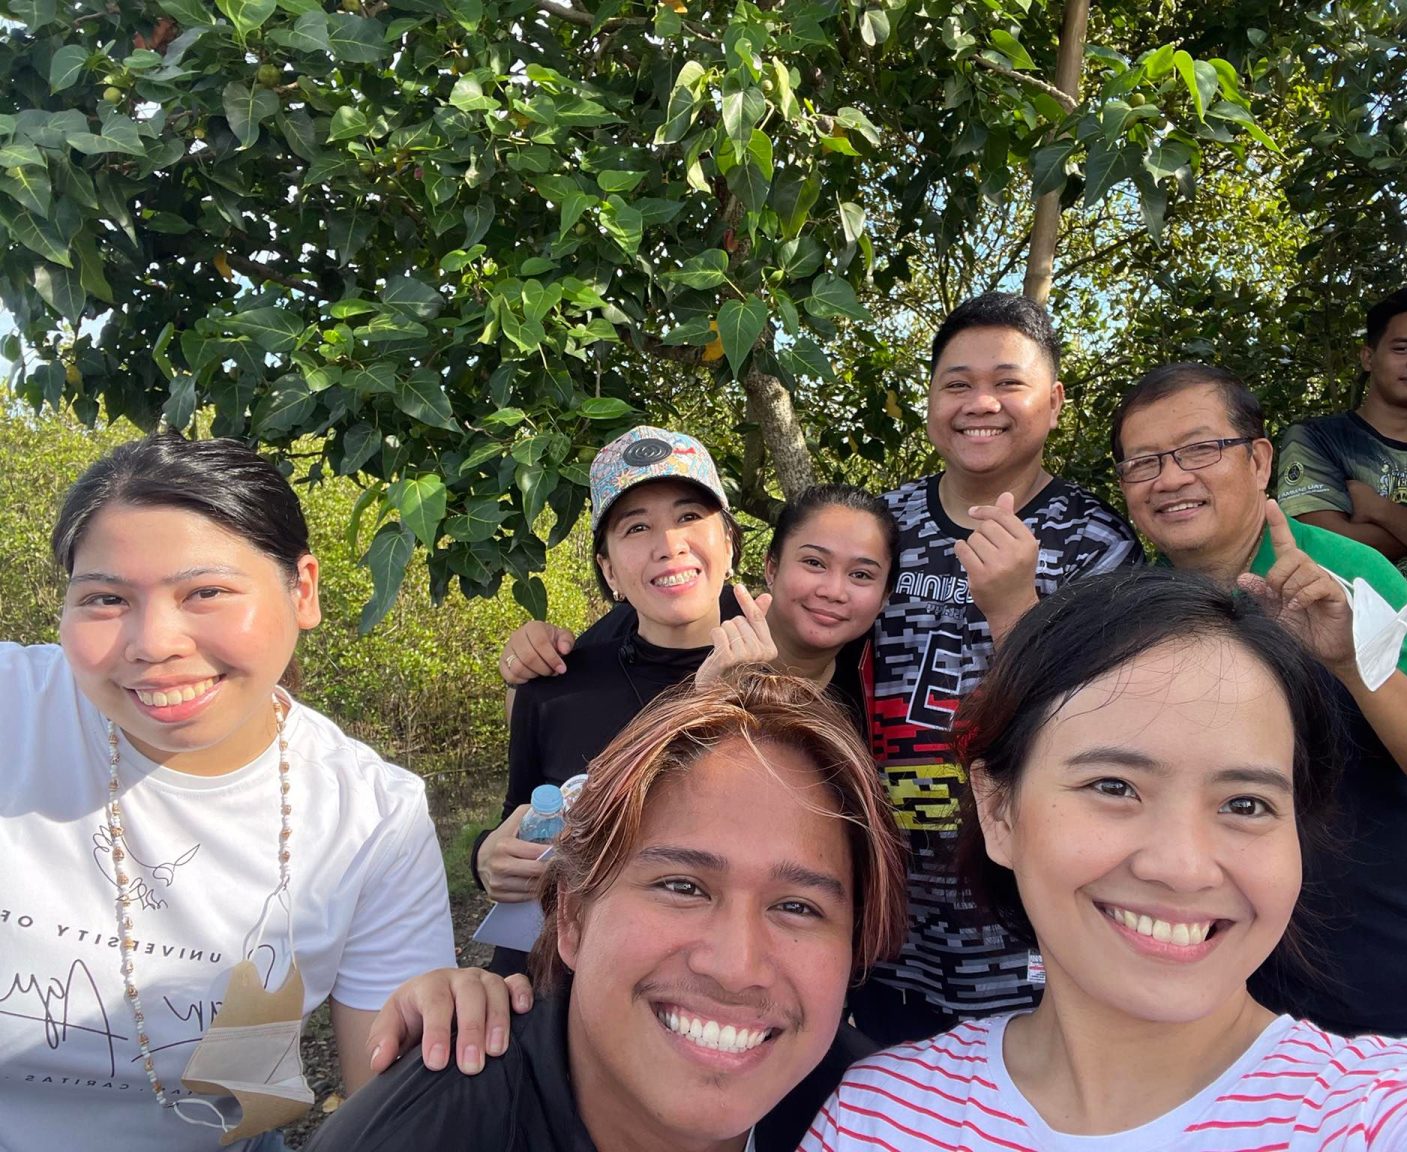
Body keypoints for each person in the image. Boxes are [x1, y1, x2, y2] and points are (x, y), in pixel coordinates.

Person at [803, 569, 1407, 1151]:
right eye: (1114, 786)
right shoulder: (879, 1115)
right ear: (998, 810)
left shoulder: (1380, 1117)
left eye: (1245, 804)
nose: (1184, 867)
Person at [0, 434, 455, 1152]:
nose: (153, 642)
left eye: (205, 592)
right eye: (106, 599)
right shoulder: (14, 708)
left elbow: (387, 1099)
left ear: (302, 590)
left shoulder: (370, 818)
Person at [1108, 363, 1407, 1089]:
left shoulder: (1348, 574)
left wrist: (1356, 661)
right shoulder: (1143, 609)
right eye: (1144, 461)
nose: (1170, 478)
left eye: (1201, 449)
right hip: (1238, 996)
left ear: (1260, 460)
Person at [307, 671, 909, 1152]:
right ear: (570, 916)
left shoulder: (901, 1123)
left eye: (798, 907)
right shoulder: (412, 1135)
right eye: (682, 887)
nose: (735, 966)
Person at [853, 291, 1142, 1044]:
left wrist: (1015, 606)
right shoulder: (882, 527)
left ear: (1053, 402)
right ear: (930, 403)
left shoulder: (1096, 545)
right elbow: (796, 642)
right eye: (957, 383)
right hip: (887, 917)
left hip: (1024, 929)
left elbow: (1115, 727)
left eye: (1008, 383)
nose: (980, 403)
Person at [473, 424, 747, 976]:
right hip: (559, 989)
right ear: (609, 569)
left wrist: (739, 700)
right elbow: (521, 820)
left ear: (729, 542)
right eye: (636, 527)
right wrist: (488, 858)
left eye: (690, 517)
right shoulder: (555, 686)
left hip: (706, 984)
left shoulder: (777, 685)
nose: (668, 544)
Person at [497, 481, 899, 736]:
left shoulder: (872, 675)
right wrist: (530, 655)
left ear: (884, 596)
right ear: (771, 567)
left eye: (862, 575)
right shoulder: (693, 619)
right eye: (813, 562)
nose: (833, 590)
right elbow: (549, 702)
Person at [1277, 285, 1407, 630]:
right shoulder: (1318, 438)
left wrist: (1382, 512)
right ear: (1368, 356)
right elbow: (1326, 549)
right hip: (1347, 649)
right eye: (1402, 348)